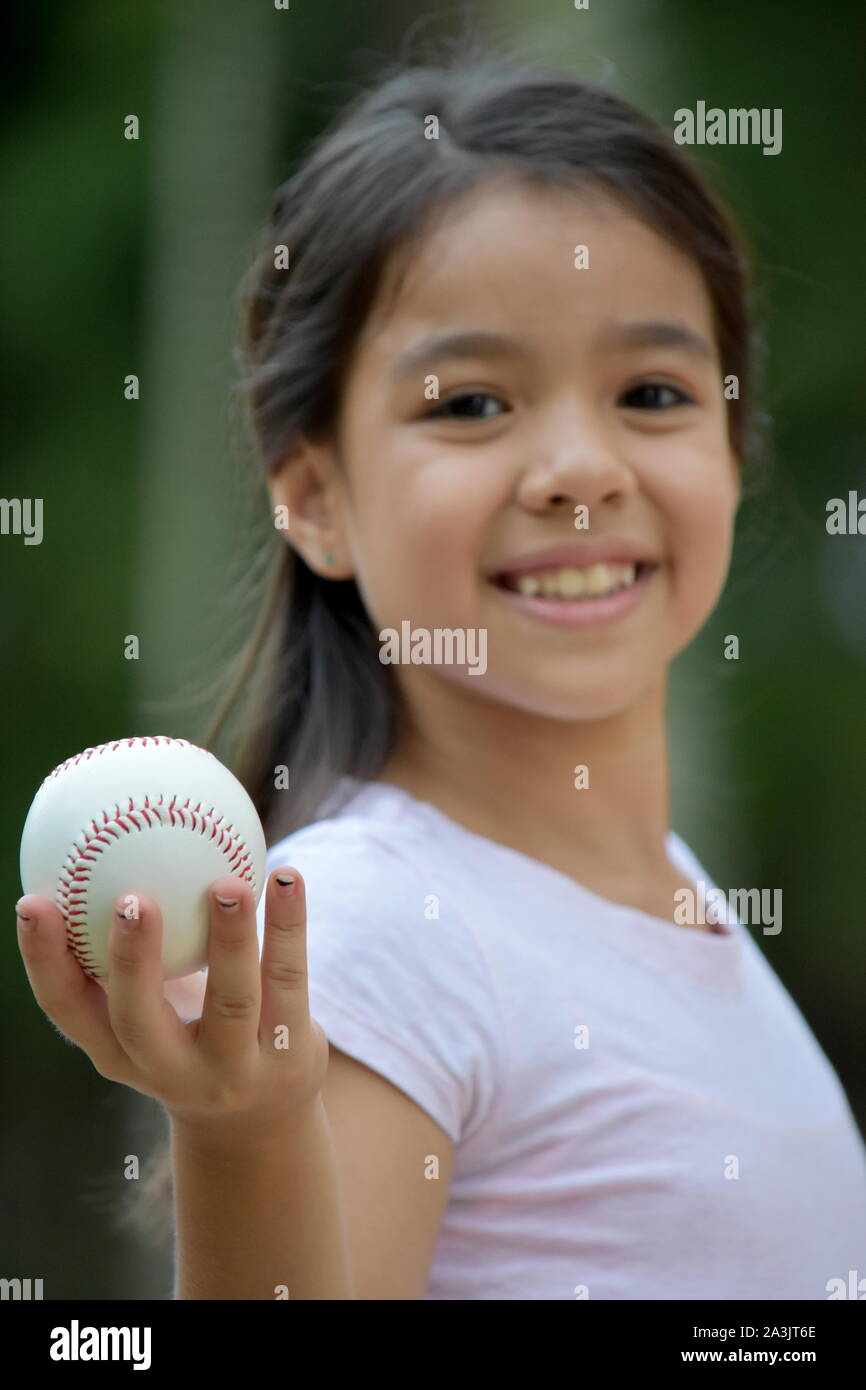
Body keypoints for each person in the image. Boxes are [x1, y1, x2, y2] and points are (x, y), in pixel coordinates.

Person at [17, 45, 866, 1301]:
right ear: (315, 500)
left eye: (648, 389)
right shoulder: (365, 930)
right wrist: (244, 1132)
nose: (579, 466)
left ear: (732, 452)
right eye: (470, 404)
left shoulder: (669, 899)